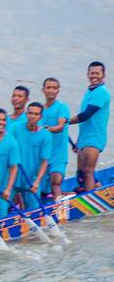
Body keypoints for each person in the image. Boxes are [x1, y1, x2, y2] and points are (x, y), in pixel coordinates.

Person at [70, 61, 109, 192]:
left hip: (94, 138)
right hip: (84, 138)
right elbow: (84, 122)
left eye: (97, 73)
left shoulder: (101, 92)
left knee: (88, 171)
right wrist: (78, 140)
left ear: (104, 75)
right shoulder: (89, 92)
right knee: (80, 173)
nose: (94, 76)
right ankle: (96, 188)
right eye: (92, 73)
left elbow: (86, 115)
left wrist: (66, 122)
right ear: (87, 74)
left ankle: (90, 203)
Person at [14, 102, 51, 210]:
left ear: (40, 117)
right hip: (13, 179)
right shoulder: (15, 128)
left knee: (33, 210)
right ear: (26, 114)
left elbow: (44, 162)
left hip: (32, 181)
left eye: (36, 114)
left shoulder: (45, 135)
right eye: (30, 113)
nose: (32, 117)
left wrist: (37, 181)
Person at [40, 77, 70, 199]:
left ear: (58, 90)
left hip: (58, 155)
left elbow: (60, 126)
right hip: (43, 157)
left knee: (56, 183)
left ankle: (61, 215)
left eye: (54, 88)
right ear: (43, 90)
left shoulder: (62, 107)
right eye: (48, 87)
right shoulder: (39, 110)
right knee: (43, 192)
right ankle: (68, 194)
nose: (51, 90)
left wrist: (48, 129)